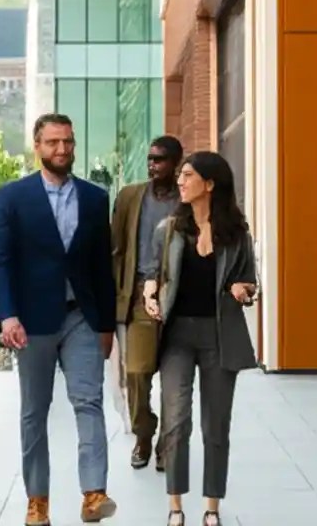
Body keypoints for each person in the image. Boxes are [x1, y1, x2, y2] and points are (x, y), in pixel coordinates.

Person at [0, 114, 117, 526]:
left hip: (82, 317)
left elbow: (102, 266)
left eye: (68, 142)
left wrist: (107, 324)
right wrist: (6, 316)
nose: (62, 150)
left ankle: (94, 494)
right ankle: (37, 500)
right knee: (34, 411)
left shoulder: (96, 199)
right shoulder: (13, 197)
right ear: (38, 146)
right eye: (53, 142)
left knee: (89, 402)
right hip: (31, 321)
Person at [142, 152, 258, 526]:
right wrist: (149, 295)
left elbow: (250, 281)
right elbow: (151, 273)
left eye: (188, 175)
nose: (180, 181)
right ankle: (175, 507)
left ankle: (212, 508)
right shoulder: (170, 229)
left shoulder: (237, 235)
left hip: (220, 335)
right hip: (177, 335)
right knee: (175, 421)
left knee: (216, 425)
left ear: (209, 184)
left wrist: (244, 289)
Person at [110, 135, 183, 470]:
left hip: (181, 297)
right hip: (141, 295)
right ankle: (143, 432)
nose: (154, 165)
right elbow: (115, 249)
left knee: (175, 376)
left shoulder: (188, 198)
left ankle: (168, 442)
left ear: (176, 162)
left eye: (161, 159)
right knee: (137, 371)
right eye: (150, 158)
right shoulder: (129, 197)